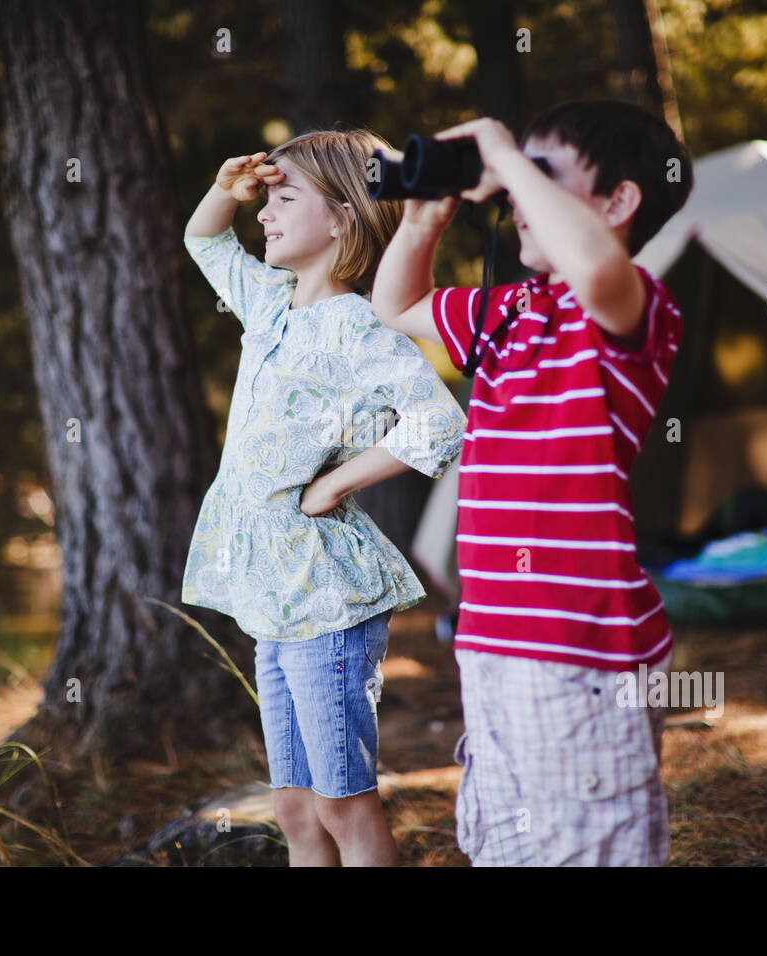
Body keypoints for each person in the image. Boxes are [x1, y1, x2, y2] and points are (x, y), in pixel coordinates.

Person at [371, 100, 693, 865]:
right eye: (515, 178)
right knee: (506, 839)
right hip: (493, 638)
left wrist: (503, 154)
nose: (516, 194)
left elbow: (600, 266)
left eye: (541, 175)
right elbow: (397, 306)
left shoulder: (631, 305)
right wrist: (422, 221)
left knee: (585, 845)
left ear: (617, 202)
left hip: (579, 641)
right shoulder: (509, 309)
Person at [182, 128, 466, 866]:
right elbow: (205, 241)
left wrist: (336, 482)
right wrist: (226, 189)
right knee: (295, 806)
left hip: (326, 600)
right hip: (274, 596)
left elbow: (441, 424)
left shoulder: (359, 328)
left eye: (283, 200)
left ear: (341, 217)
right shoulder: (271, 305)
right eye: (266, 201)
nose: (264, 215)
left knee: (342, 800)